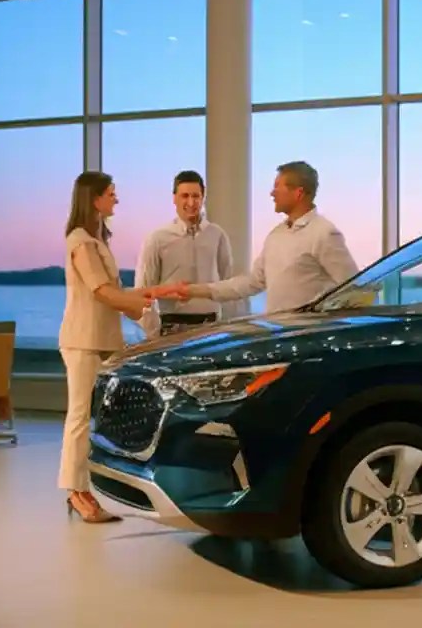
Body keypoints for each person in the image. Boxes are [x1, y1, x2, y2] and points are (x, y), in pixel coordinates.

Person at [58, 170, 154, 524]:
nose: (116, 199)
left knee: (95, 419)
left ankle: (88, 488)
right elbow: (101, 291)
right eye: (111, 193)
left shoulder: (97, 240)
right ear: (94, 198)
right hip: (83, 341)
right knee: (80, 418)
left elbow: (112, 292)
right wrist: (138, 306)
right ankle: (75, 491)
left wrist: (149, 296)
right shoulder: (81, 241)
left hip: (102, 341)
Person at [156, 161, 359, 313]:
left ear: (298, 193)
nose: (272, 193)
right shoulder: (276, 235)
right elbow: (252, 282)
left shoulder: (324, 233)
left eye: (278, 186)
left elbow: (357, 291)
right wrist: (194, 291)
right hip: (278, 338)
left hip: (309, 344)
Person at [134, 170, 235, 336]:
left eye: (196, 196)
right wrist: (151, 332)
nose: (191, 202)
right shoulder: (157, 238)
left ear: (203, 197)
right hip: (170, 324)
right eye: (185, 196)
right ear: (174, 198)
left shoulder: (217, 235)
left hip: (210, 324)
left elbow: (227, 283)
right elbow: (143, 289)